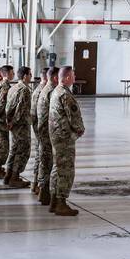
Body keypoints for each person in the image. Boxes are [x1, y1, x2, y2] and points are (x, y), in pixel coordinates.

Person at [47, 65, 84, 216]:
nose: (75, 78)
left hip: (56, 135)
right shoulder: (65, 95)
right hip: (64, 137)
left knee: (57, 167)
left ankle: (54, 201)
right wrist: (79, 129)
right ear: (67, 77)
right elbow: (74, 117)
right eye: (73, 75)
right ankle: (61, 202)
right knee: (66, 170)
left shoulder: (56, 91)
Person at [4, 65, 34, 187]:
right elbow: (20, 109)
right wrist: (14, 122)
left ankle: (8, 174)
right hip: (21, 124)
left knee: (14, 149)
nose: (31, 76)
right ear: (25, 76)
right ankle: (15, 177)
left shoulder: (13, 87)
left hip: (13, 124)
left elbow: (8, 106)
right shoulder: (24, 90)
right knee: (22, 150)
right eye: (30, 74)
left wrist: (9, 121)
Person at [32, 67, 54, 203]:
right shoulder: (46, 91)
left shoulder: (40, 90)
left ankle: (36, 184)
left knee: (40, 157)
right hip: (43, 129)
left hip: (39, 128)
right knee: (44, 159)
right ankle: (42, 188)